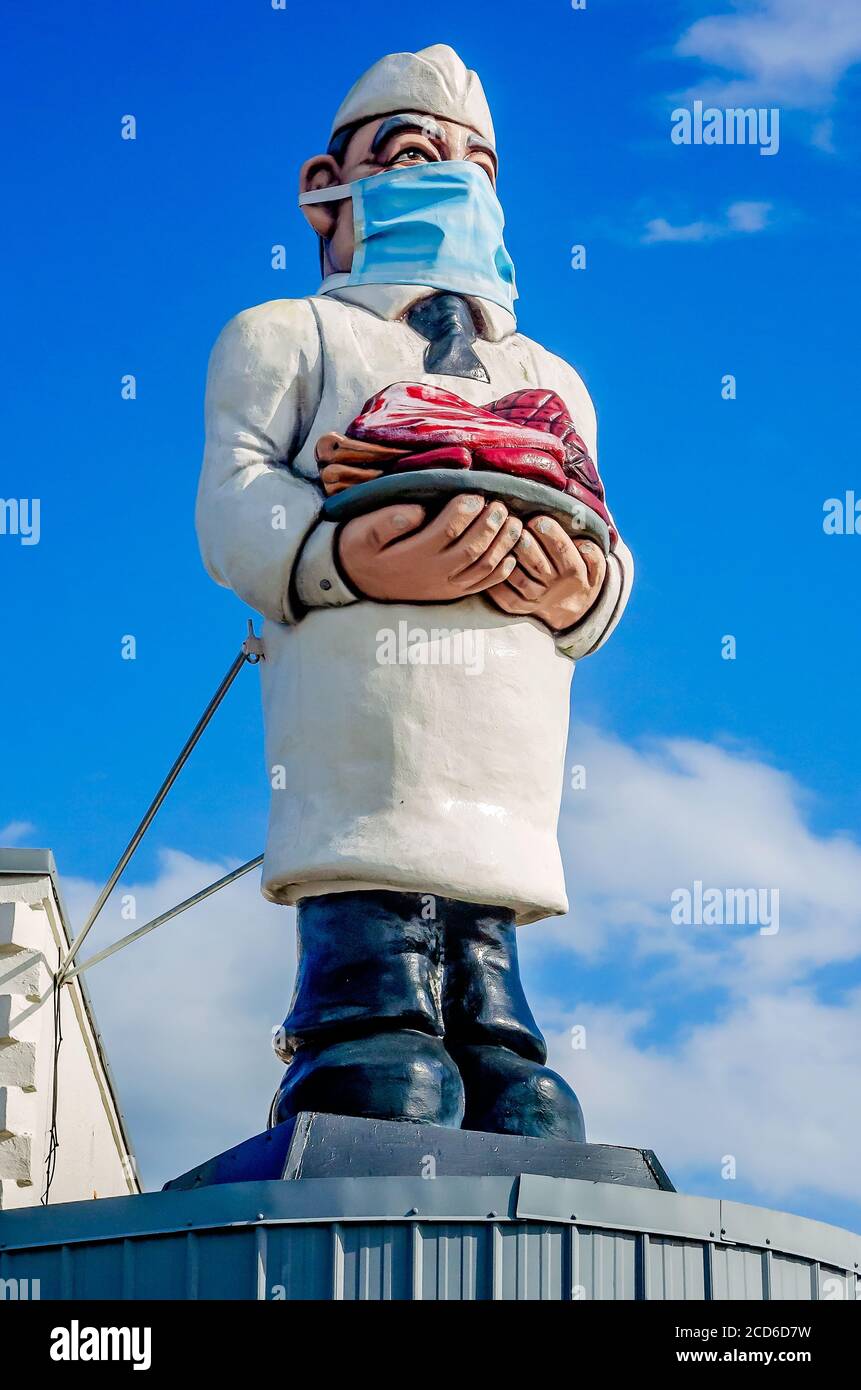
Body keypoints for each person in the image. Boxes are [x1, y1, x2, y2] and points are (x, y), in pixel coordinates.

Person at [196, 45, 633, 1139]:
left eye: (476, 167)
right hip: (357, 668)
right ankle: (362, 1012)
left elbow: (611, 534)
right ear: (326, 190)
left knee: (486, 858)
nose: (453, 183)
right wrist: (338, 560)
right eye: (414, 155)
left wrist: (584, 586)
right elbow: (236, 495)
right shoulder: (288, 336)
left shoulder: (549, 381)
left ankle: (494, 1028)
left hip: (510, 680)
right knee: (376, 831)